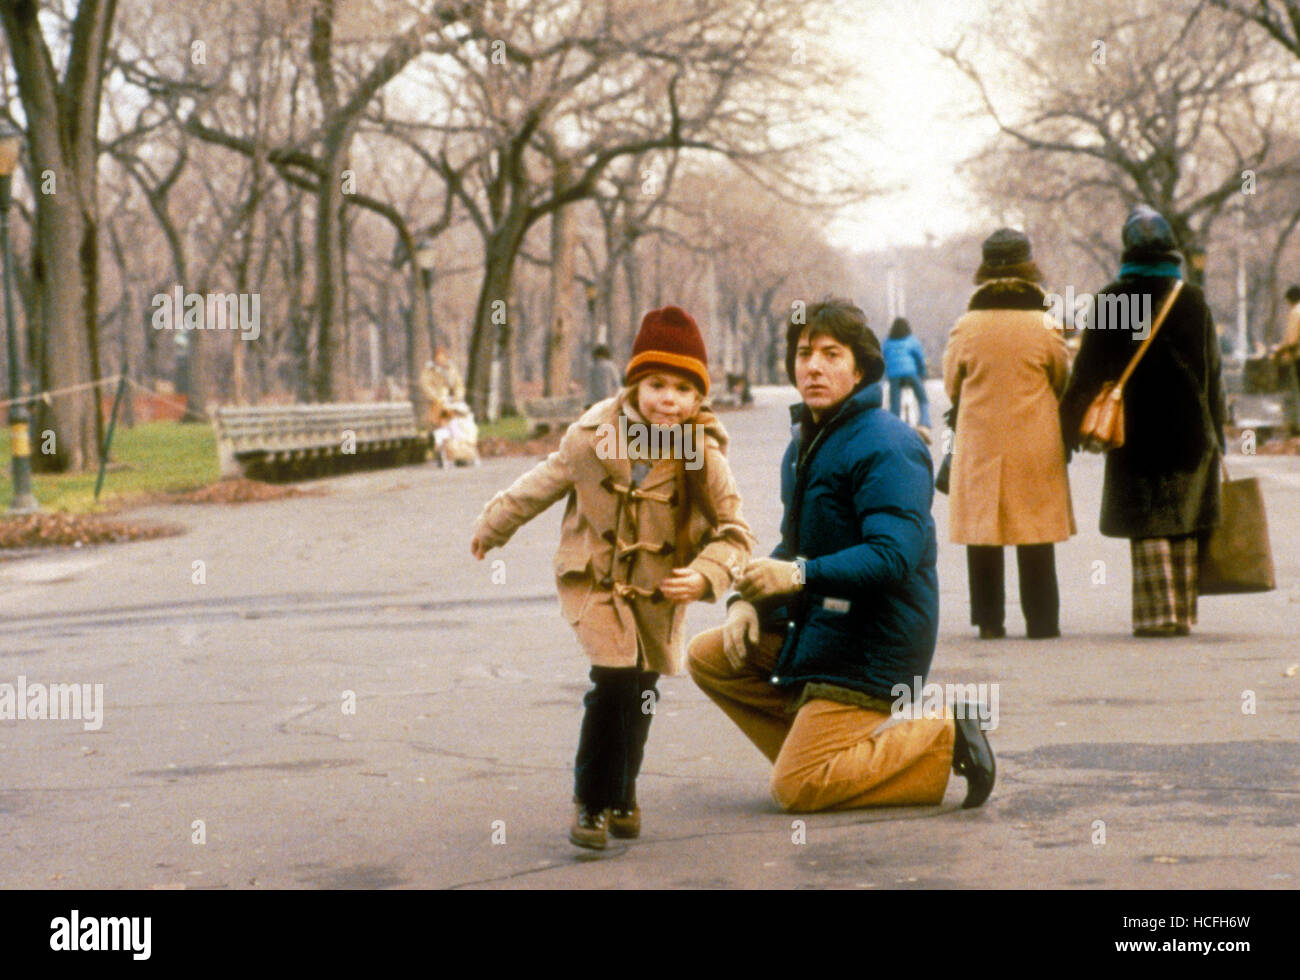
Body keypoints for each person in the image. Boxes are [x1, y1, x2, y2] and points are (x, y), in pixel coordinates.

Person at [686, 298, 995, 813]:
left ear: (860, 367)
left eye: (832, 353)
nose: (813, 366)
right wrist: (747, 603)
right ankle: (831, 757)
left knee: (797, 788)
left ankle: (944, 735)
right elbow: (794, 547)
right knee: (710, 654)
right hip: (824, 630)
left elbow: (892, 556)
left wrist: (800, 576)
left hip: (874, 644)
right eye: (804, 353)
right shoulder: (806, 442)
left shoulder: (888, 445)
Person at [470, 306, 754, 848]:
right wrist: (493, 524)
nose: (667, 399)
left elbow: (736, 533)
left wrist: (704, 575)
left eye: (681, 389)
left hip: (657, 590)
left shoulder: (702, 454)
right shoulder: (594, 435)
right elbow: (546, 481)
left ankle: (624, 791)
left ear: (699, 399)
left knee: (642, 690)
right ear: (634, 386)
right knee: (613, 681)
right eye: (654, 384)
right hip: (596, 580)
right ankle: (592, 802)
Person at [1060, 206, 1226, 637]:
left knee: (1148, 518)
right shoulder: (1190, 299)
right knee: (1184, 518)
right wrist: (1219, 436)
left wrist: (1066, 431)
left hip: (1137, 431)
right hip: (1190, 428)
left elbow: (1088, 371)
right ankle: (1183, 613)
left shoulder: (1116, 300)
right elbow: (1213, 373)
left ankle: (1157, 614)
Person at [942, 229, 1075, 640]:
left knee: (984, 532)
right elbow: (1062, 379)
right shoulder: (1045, 324)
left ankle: (989, 620)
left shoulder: (966, 327)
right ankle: (1042, 621)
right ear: (1029, 269)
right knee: (1035, 532)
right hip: (1035, 443)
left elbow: (952, 385)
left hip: (980, 441)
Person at [883, 316, 932, 437]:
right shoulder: (912, 340)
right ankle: (924, 425)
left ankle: (894, 429)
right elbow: (920, 359)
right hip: (910, 373)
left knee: (895, 405)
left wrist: (885, 376)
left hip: (894, 375)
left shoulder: (887, 343)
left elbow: (883, 359)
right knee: (923, 399)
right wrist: (923, 373)